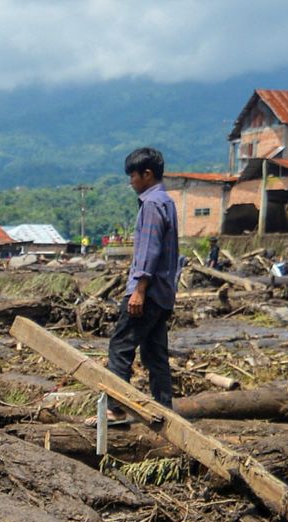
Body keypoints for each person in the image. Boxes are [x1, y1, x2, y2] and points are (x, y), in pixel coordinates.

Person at [102, 146, 179, 420]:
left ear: (147, 174)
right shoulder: (167, 201)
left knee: (120, 346)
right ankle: (165, 410)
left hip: (147, 291)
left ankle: (114, 409)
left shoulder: (151, 204)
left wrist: (138, 291)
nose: (130, 182)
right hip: (163, 294)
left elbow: (149, 250)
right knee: (155, 354)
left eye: (133, 176)